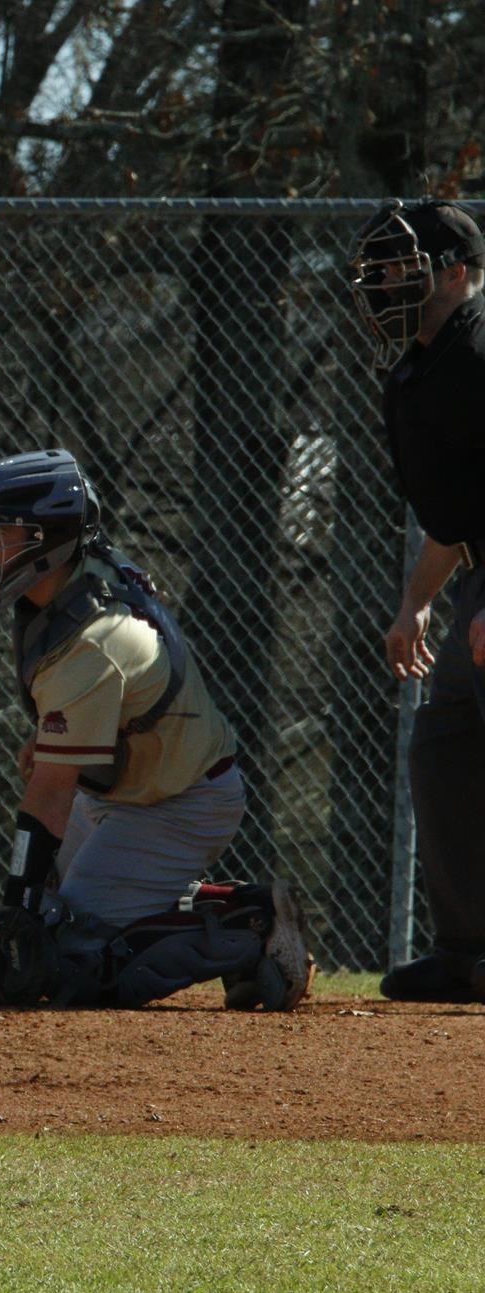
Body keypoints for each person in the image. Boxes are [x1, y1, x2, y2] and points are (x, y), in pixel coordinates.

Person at [0, 449, 312, 1010]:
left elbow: (48, 795)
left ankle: (250, 925)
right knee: (53, 919)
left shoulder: (92, 638)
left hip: (179, 801)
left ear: (45, 540)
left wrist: (12, 915)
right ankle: (222, 908)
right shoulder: (79, 582)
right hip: (128, 787)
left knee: (74, 964)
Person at [347, 198, 485, 1004]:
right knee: (443, 748)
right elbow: (455, 514)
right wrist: (416, 606)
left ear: (458, 273)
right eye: (381, 268)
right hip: (475, 574)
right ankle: (468, 949)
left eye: (406, 267)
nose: (386, 281)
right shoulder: (421, 369)